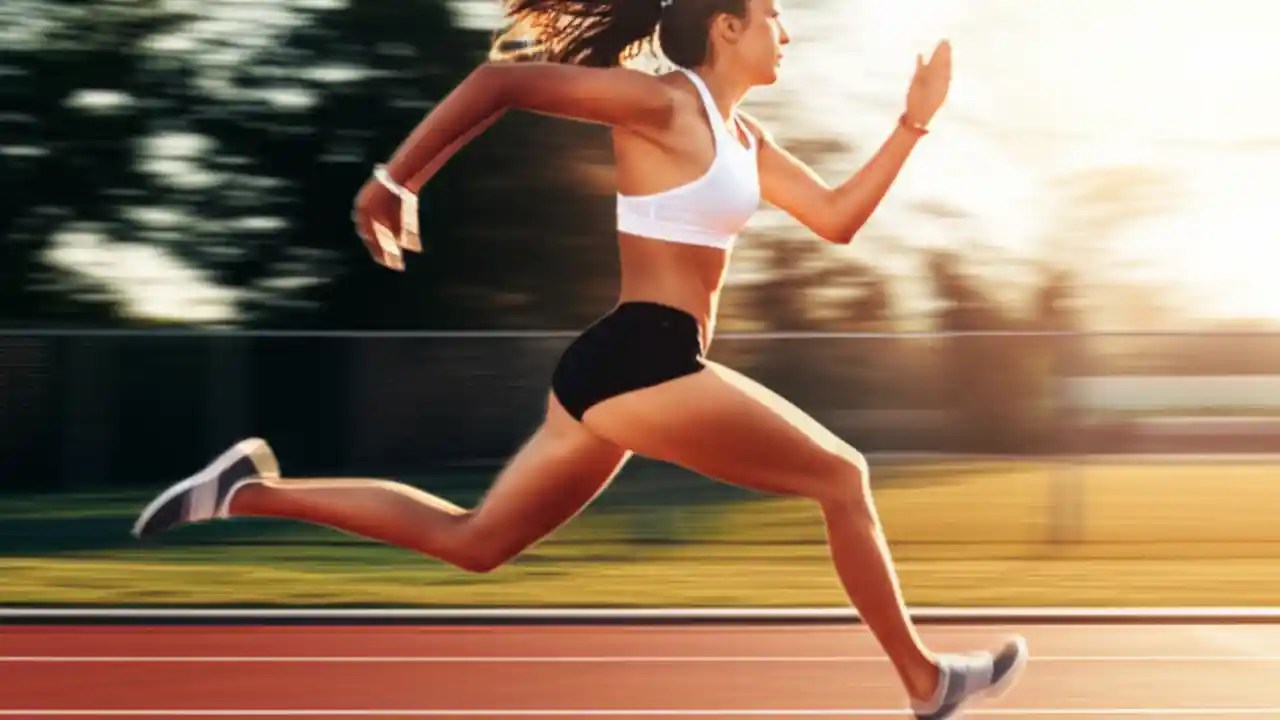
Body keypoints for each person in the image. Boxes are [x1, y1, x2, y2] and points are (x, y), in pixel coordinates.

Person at [132, 0, 1027, 716]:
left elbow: (837, 220)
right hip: (645, 360)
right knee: (843, 475)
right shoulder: (663, 102)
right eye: (773, 17)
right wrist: (397, 180)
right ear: (726, 28)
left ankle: (245, 489)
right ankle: (922, 680)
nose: (786, 32)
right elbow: (498, 84)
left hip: (620, 370)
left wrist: (913, 123)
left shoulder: (747, 142)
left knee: (474, 542)